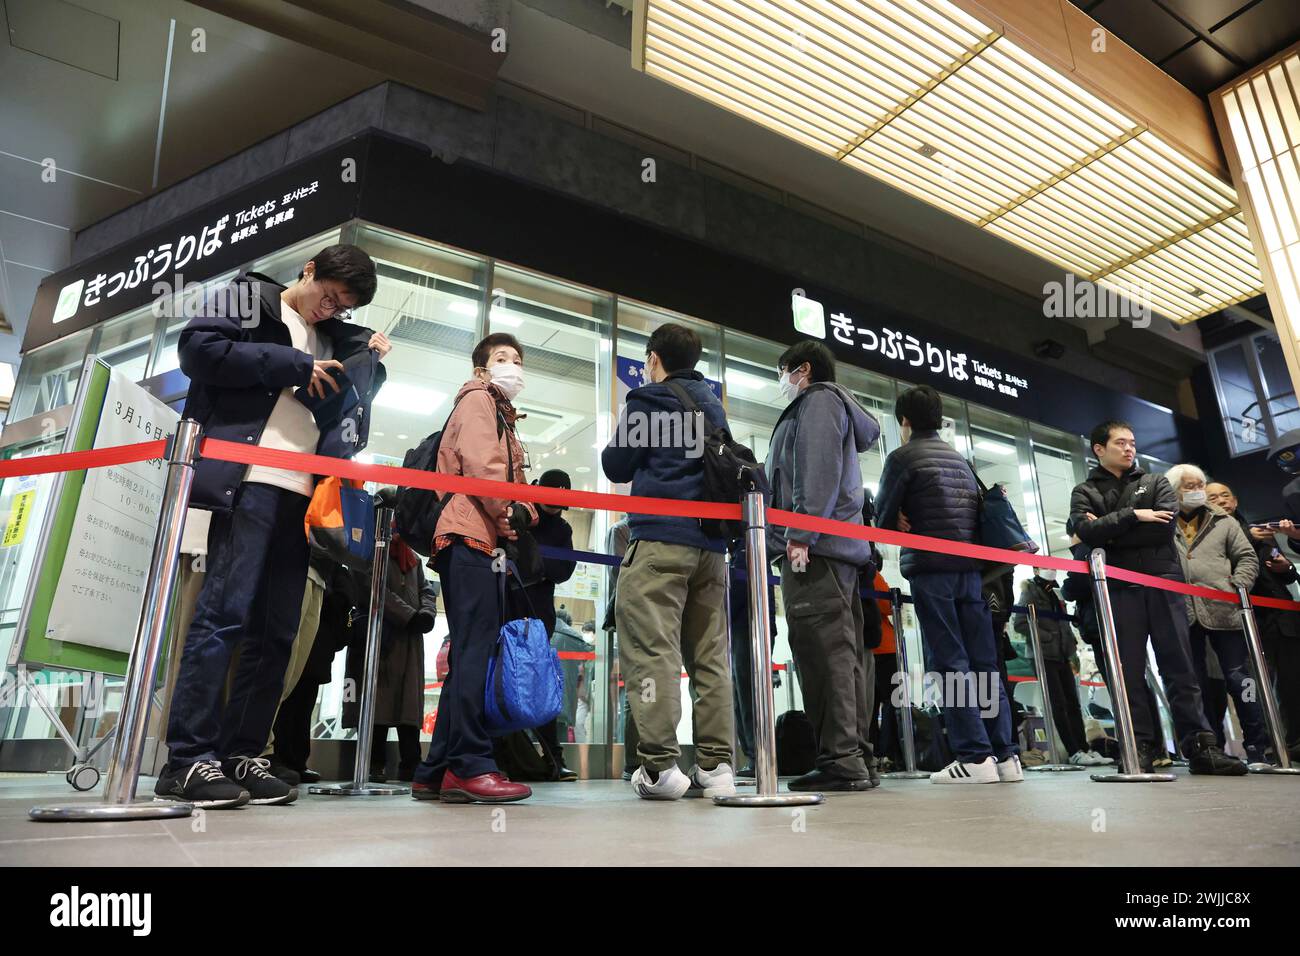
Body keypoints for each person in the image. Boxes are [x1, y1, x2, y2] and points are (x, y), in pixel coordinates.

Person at [157, 244, 390, 807]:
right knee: (222, 616)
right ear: (309, 270)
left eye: (341, 307)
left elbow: (347, 413)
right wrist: (294, 365)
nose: (327, 310)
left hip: (303, 493)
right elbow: (198, 350)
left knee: (278, 632)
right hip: (249, 478)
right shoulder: (250, 296)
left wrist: (368, 366)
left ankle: (243, 753)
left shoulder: (335, 339)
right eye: (327, 296)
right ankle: (188, 759)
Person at [602, 322, 736, 800]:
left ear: (654, 359)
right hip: (710, 548)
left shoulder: (649, 400)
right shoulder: (712, 405)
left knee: (652, 652)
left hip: (660, 543)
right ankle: (717, 766)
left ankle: (660, 768)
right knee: (710, 658)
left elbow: (616, 464)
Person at [1068, 422, 1243, 775]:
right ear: (1099, 449)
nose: (1129, 448)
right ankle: (1141, 747)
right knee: (1128, 672)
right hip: (1118, 587)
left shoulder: (1157, 482)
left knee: (1180, 667)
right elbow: (1085, 533)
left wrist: (1111, 530)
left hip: (1163, 582)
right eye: (1120, 443)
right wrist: (1134, 515)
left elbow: (1161, 526)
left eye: (1132, 442)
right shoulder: (1084, 490)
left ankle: (1200, 746)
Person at [410, 333, 538, 804]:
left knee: (471, 651)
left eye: (518, 360)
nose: (513, 366)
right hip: (469, 535)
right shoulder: (479, 398)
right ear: (482, 369)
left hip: (477, 537)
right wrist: (508, 513)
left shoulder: (503, 413)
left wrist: (521, 512)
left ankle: (434, 769)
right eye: (501, 358)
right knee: (474, 652)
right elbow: (484, 469)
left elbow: (507, 476)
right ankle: (470, 764)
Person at [874, 385, 1020, 784]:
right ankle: (1005, 756)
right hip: (970, 572)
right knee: (983, 662)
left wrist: (896, 519)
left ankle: (974, 757)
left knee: (949, 662)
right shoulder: (961, 460)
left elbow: (883, 521)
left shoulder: (902, 457)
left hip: (931, 571)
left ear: (904, 422)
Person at [765, 340, 880, 792]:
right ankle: (855, 756)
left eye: (784, 371)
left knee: (822, 654)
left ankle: (842, 759)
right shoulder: (833, 406)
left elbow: (816, 471)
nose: (783, 382)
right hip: (836, 550)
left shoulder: (817, 403)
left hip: (816, 551)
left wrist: (799, 534)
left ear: (803, 369)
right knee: (843, 656)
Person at [1167, 466, 1265, 762]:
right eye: (1189, 485)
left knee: (1242, 680)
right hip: (1183, 613)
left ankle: (1258, 745)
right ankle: (1210, 747)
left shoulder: (1223, 521)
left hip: (1226, 612)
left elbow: (1247, 557)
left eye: (1200, 484)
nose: (1197, 489)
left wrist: (1238, 586)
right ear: (1174, 490)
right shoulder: (1163, 521)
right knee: (1195, 682)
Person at [1209, 481, 1300, 761]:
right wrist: (1251, 538)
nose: (1222, 500)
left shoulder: (1260, 531)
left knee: (1292, 682)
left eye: (1226, 495)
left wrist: (1287, 568)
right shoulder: (1214, 532)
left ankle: (1295, 741)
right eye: (1214, 497)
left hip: (1283, 617)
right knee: (1254, 685)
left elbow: (1282, 572)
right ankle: (1264, 745)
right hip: (1245, 620)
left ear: (1235, 500)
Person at [340, 527, 437, 782]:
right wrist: (409, 615)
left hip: (409, 641)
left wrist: (426, 613)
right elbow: (375, 589)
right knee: (377, 701)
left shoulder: (412, 556)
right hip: (380, 636)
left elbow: (427, 589)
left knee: (409, 705)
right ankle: (375, 763)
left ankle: (411, 763)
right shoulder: (368, 553)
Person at [1012, 570, 1109, 765]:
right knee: (1058, 704)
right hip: (1044, 655)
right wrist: (1048, 637)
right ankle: (1073, 751)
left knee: (1073, 703)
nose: (1051, 570)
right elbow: (1020, 623)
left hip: (1063, 654)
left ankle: (1083, 748)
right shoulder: (1030, 590)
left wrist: (1070, 646)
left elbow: (1062, 622)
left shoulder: (1056, 590)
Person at [521, 469, 579, 781]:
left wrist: (536, 566)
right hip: (509, 604)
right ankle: (502, 753)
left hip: (540, 610)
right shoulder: (521, 509)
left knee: (540, 684)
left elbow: (564, 570)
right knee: (502, 677)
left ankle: (553, 756)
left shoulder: (562, 527)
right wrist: (541, 568)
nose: (556, 508)